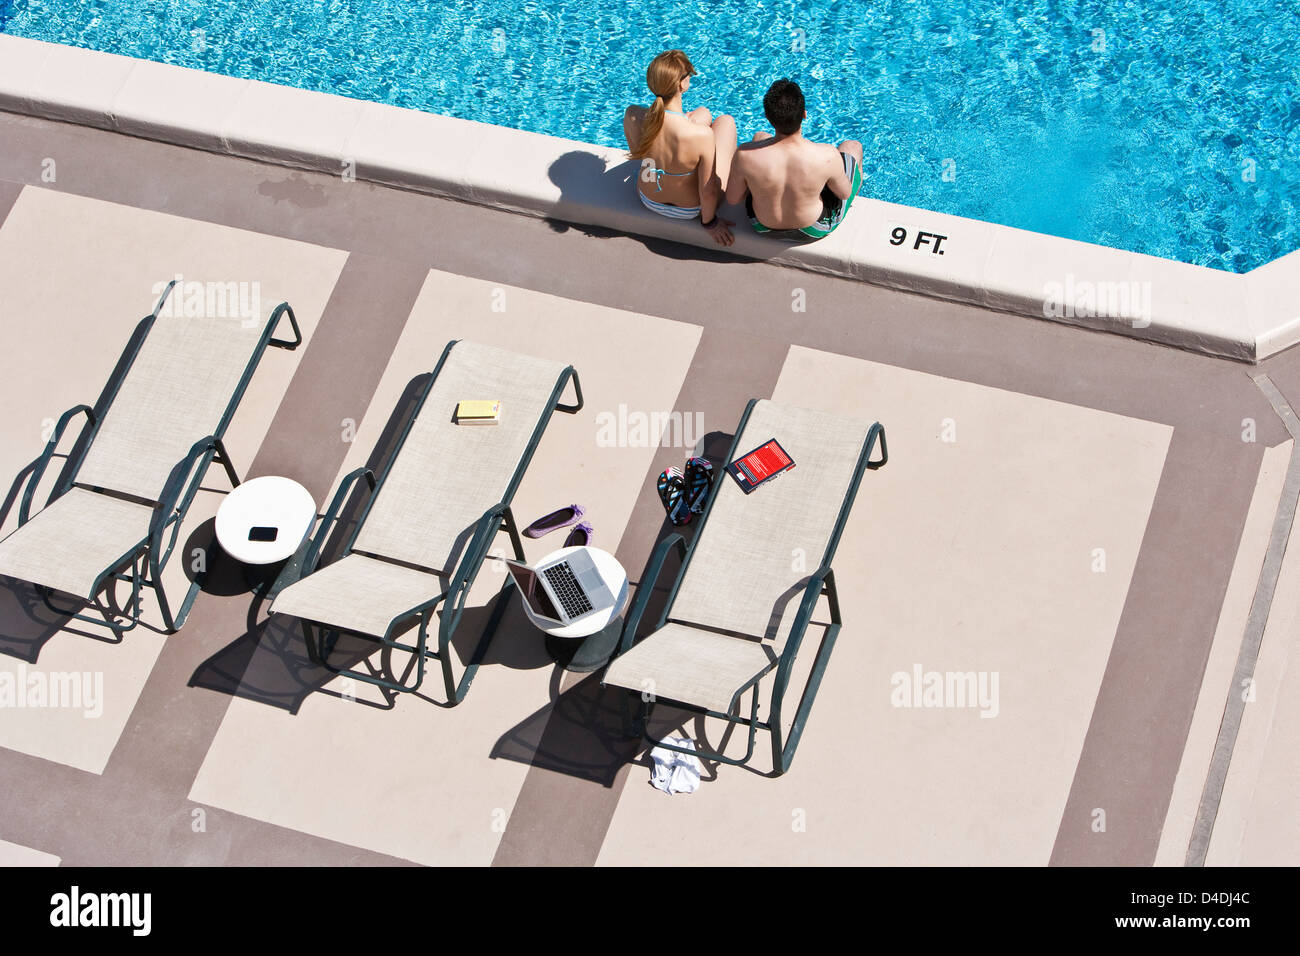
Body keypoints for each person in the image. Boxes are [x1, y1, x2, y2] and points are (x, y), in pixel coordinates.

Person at [725, 79, 863, 243]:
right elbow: (844, 193)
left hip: (762, 226)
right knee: (852, 146)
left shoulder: (744, 155)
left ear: (768, 117)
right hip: (811, 229)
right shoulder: (827, 155)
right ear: (804, 114)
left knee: (760, 137)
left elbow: (733, 199)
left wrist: (758, 182)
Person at [623, 50, 738, 246]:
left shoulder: (633, 115)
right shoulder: (702, 135)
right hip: (689, 209)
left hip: (648, 198)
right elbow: (708, 191)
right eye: (689, 75)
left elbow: (639, 159)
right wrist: (710, 224)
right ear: (681, 84)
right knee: (726, 122)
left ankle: (687, 121)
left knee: (703, 114)